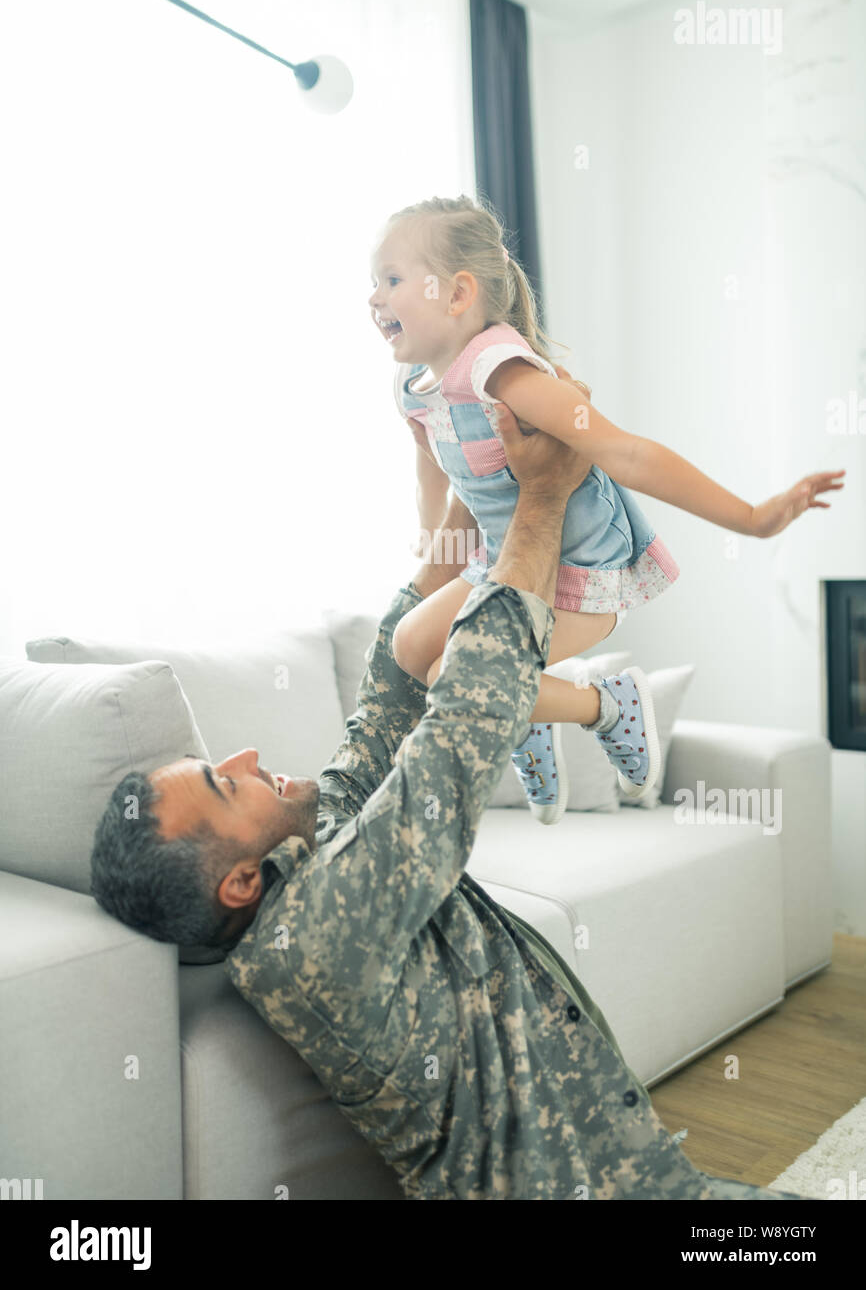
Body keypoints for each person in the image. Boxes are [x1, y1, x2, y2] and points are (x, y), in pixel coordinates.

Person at [91, 409, 812, 1201]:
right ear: (236, 884)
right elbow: (466, 710)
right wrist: (541, 493)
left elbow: (393, 686)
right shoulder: (309, 944)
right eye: (224, 784)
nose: (247, 759)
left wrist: (460, 472)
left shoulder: (314, 853)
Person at [369, 193, 845, 823]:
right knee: (409, 646)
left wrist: (754, 519)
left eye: (393, 280)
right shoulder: (413, 385)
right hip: (506, 569)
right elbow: (434, 463)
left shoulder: (504, 374)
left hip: (579, 572)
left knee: (460, 672)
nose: (374, 299)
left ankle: (610, 705)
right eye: (372, 283)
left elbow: (626, 453)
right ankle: (527, 715)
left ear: (457, 295)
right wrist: (436, 547)